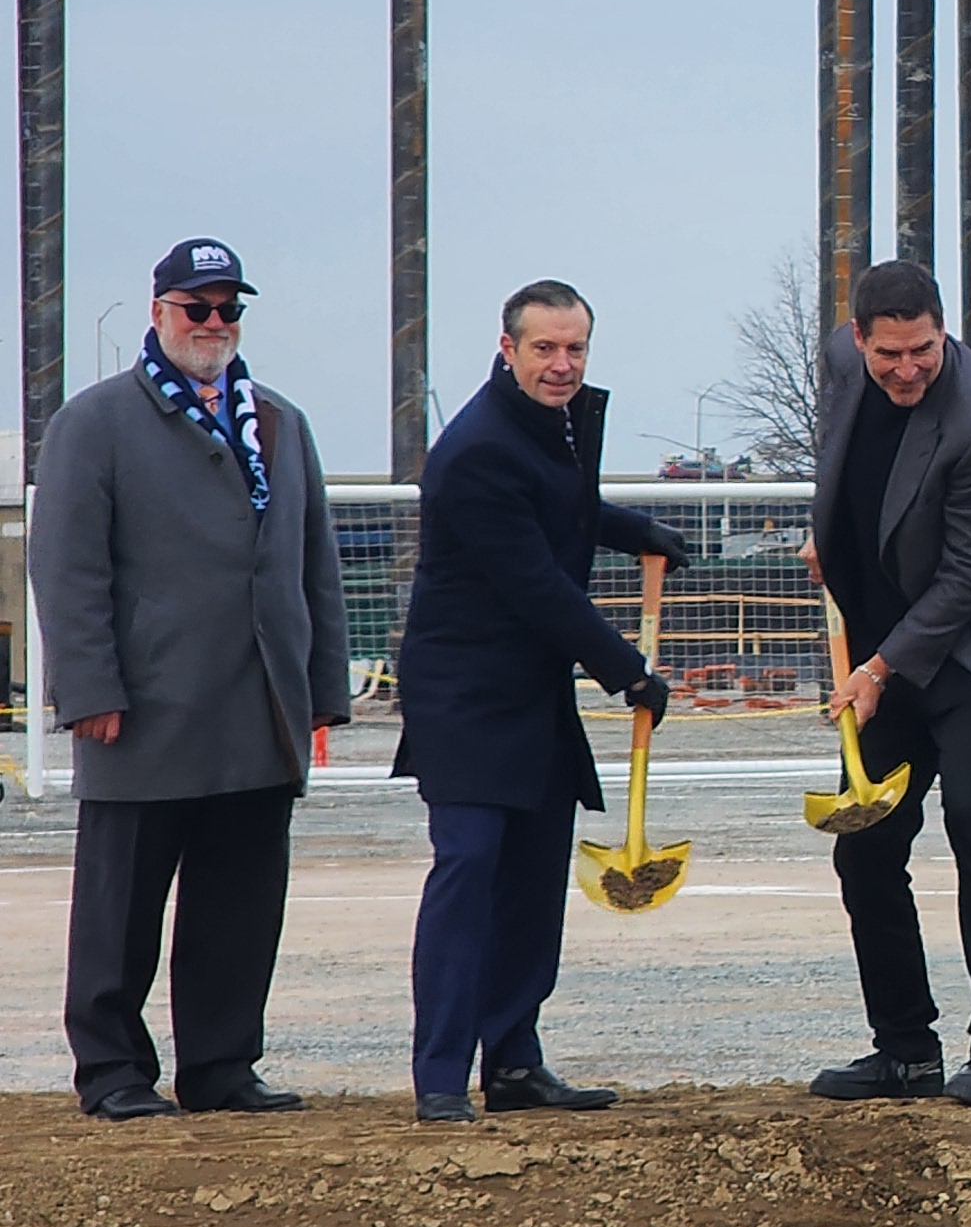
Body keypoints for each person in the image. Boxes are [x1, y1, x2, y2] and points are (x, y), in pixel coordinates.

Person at [33, 239, 350, 1121]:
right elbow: (67, 570)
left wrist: (322, 684)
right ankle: (112, 1072)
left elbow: (312, 560)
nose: (213, 325)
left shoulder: (281, 422)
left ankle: (220, 1065)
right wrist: (88, 689)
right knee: (120, 906)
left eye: (227, 309)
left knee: (239, 906)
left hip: (257, 709)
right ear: (159, 312)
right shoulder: (94, 424)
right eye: (195, 308)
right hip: (145, 713)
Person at [396, 280, 689, 1123]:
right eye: (544, 349)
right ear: (507, 348)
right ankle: (443, 1074)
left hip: (530, 691)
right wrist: (627, 671)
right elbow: (532, 582)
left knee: (529, 884)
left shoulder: (544, 427)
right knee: (470, 871)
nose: (562, 365)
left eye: (575, 349)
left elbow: (558, 504)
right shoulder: (479, 446)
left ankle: (515, 1063)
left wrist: (632, 529)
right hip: (466, 695)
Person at [805, 258, 971, 1109]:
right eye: (890, 354)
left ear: (944, 332)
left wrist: (878, 668)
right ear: (858, 341)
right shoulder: (845, 366)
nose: (907, 369)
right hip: (889, 638)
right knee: (865, 841)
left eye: (923, 350)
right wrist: (832, 542)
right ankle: (905, 1049)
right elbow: (854, 477)